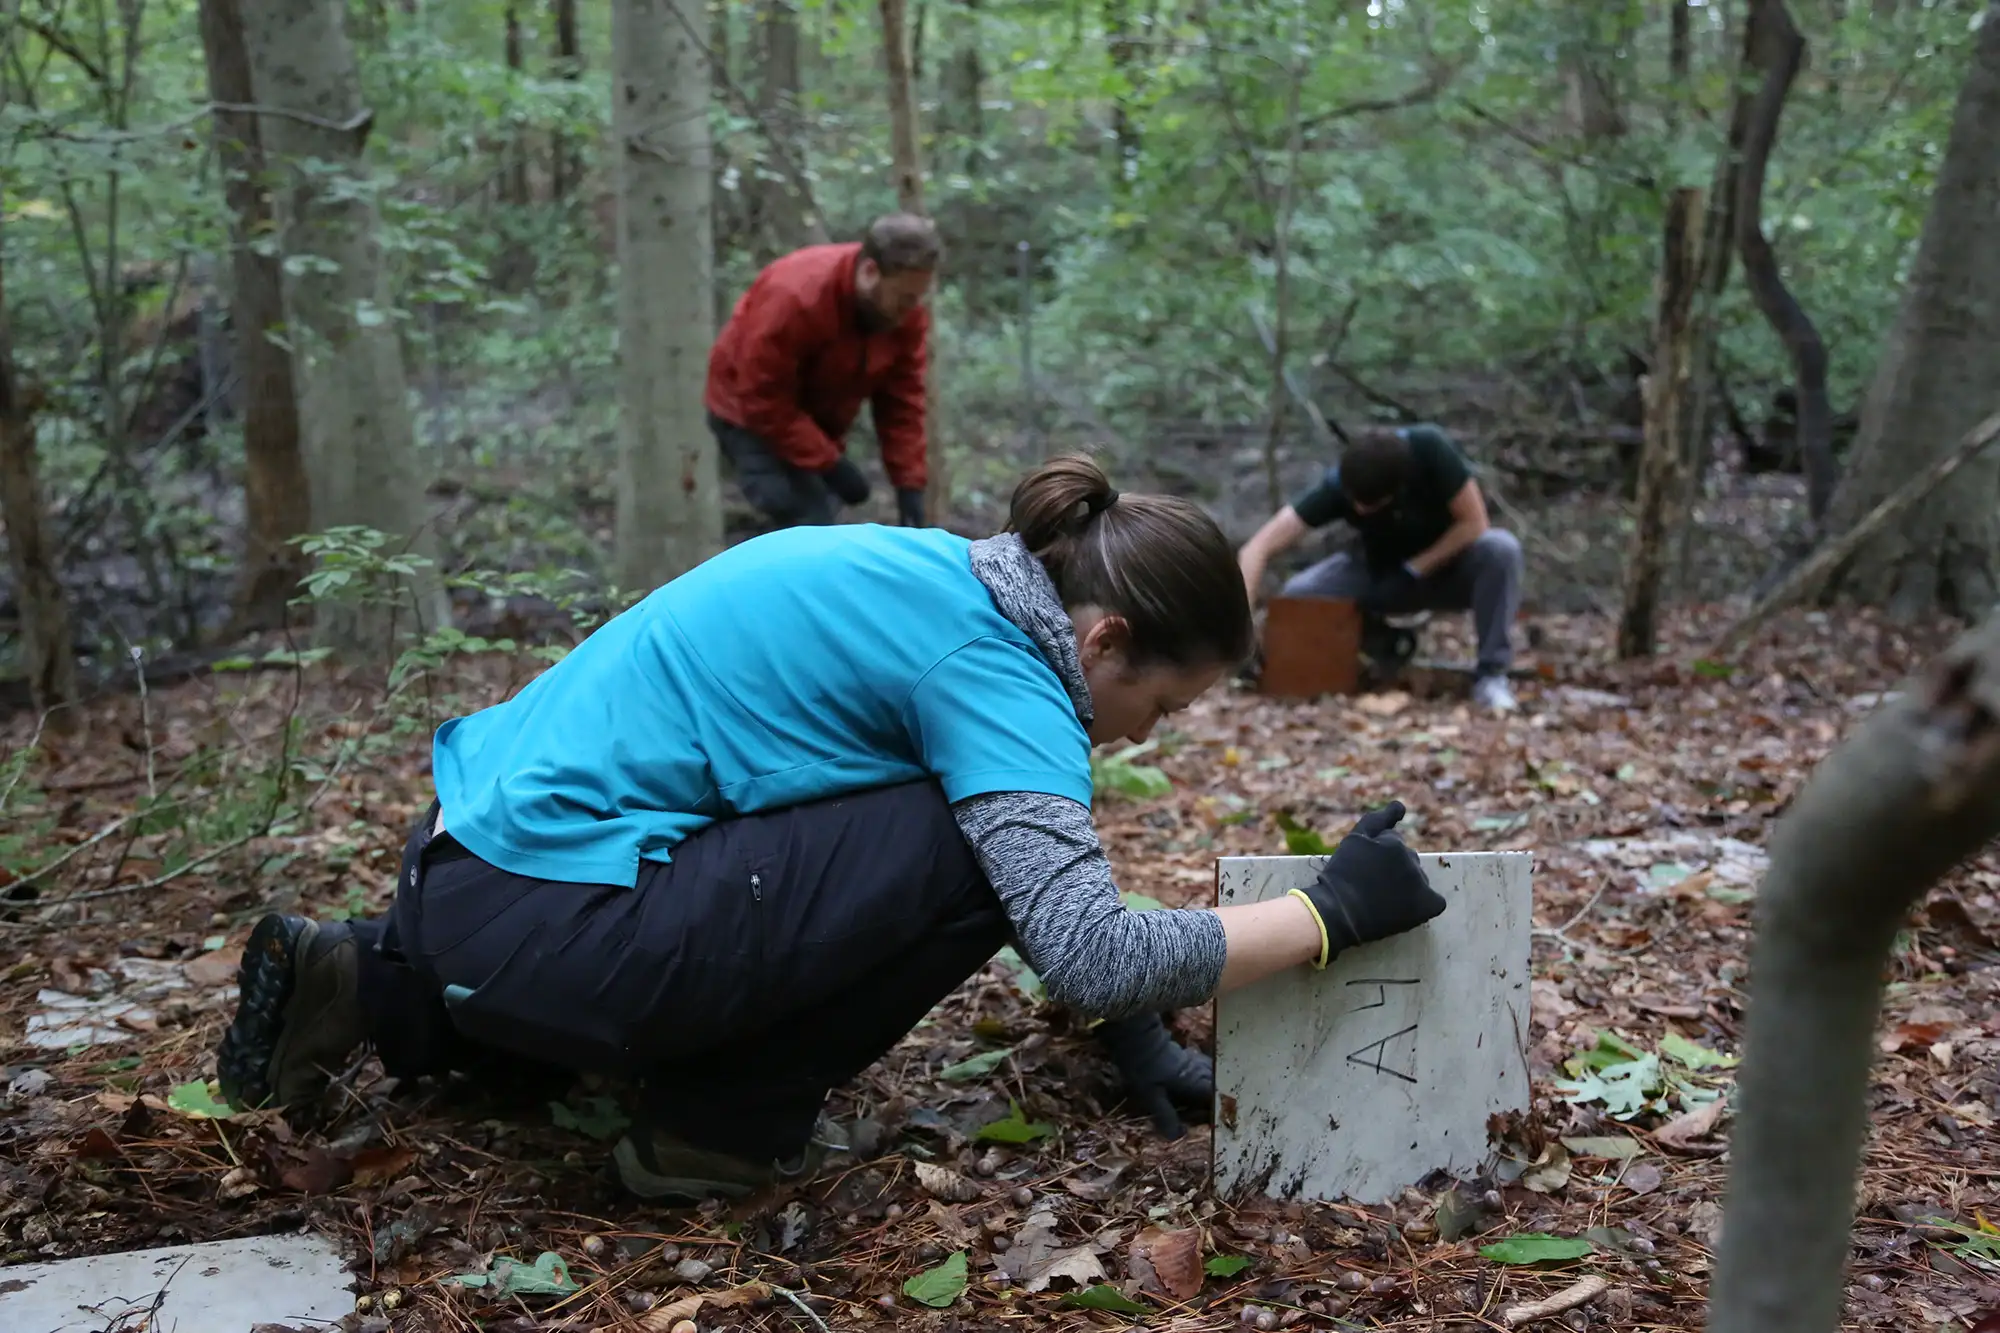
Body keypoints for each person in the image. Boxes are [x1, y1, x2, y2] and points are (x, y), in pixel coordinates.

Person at [214, 457, 1447, 1201]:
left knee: (963, 833)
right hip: (562, 927)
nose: (1146, 736)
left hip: (472, 893)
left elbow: (1049, 874)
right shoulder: (994, 673)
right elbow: (1074, 941)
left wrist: (1139, 1044)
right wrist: (1324, 917)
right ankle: (713, 1133)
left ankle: (370, 982)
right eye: (1160, 704)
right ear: (1104, 639)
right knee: (959, 847)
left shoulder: (937, 580)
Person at [1237, 424, 1524, 711]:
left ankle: (1492, 675)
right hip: (1377, 572)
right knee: (1299, 594)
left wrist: (1415, 568)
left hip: (1448, 568)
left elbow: (1474, 523)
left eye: (1371, 504)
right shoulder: (1338, 486)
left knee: (1501, 549)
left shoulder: (1430, 449)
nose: (1361, 510)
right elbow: (1256, 547)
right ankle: (1376, 646)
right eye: (1355, 503)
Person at [705, 213, 939, 531]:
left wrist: (909, 484)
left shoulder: (903, 312)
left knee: (826, 511)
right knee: (800, 517)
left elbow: (901, 400)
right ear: (871, 272)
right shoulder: (796, 297)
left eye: (918, 298)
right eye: (904, 298)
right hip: (747, 414)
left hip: (815, 419)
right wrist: (830, 463)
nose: (912, 309)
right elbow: (764, 399)